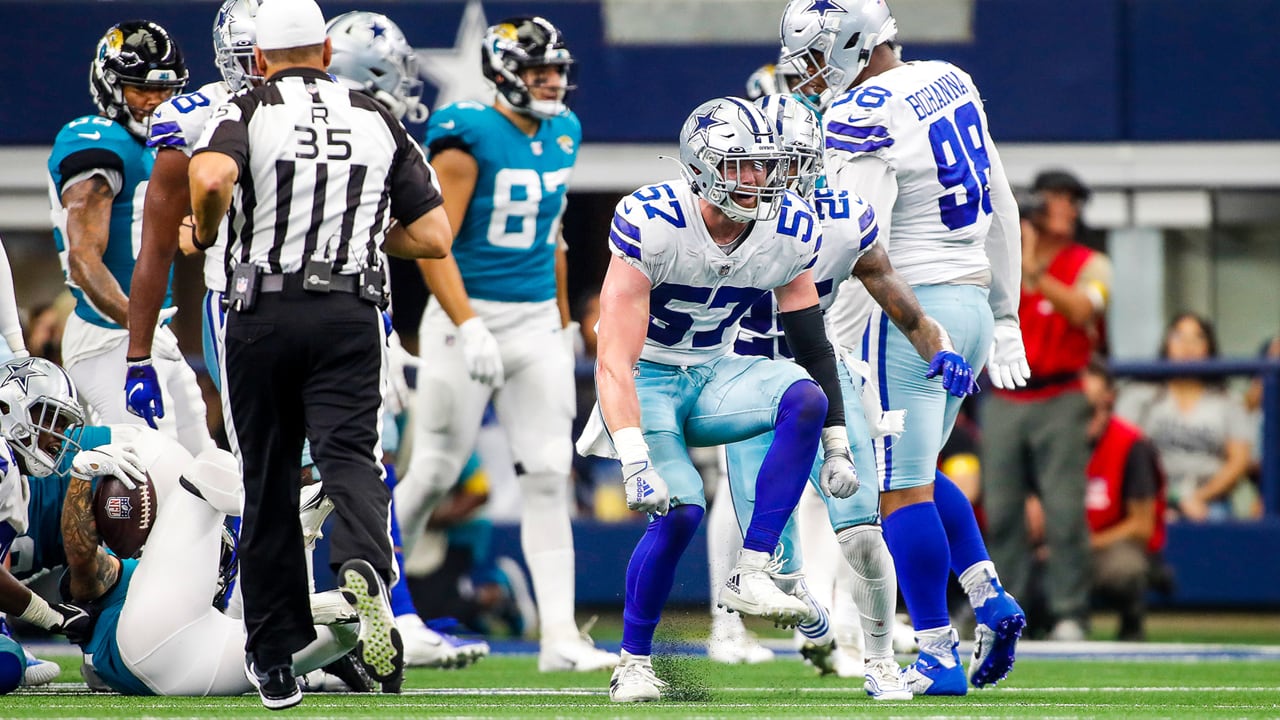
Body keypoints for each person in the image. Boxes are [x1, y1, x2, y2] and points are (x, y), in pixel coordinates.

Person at [187, 0, 453, 707]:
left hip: (262, 308)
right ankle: (365, 565)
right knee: (350, 460)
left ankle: (274, 654)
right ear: (326, 52)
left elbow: (210, 181)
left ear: (263, 58)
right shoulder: (375, 114)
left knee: (269, 478)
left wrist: (208, 234)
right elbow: (434, 236)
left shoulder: (245, 107)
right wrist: (367, 235)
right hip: (349, 308)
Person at [577, 96, 863, 703]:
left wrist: (836, 441)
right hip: (646, 379)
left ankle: (752, 569)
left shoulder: (787, 231)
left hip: (712, 371)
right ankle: (632, 663)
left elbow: (814, 344)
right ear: (703, 165)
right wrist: (631, 456)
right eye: (744, 166)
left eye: (767, 165)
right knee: (682, 512)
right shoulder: (653, 220)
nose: (761, 180)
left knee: (803, 397)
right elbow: (613, 358)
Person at [780, 0, 1028, 694]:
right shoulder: (948, 77)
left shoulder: (863, 113)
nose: (805, 73)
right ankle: (988, 596)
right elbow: (1003, 204)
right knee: (917, 470)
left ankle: (938, 651)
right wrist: (1004, 314)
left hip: (910, 316)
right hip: (972, 299)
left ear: (849, 44)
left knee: (896, 488)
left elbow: (861, 241)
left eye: (810, 55)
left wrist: (827, 323)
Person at [716, 93, 980, 698]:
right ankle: (815, 623)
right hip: (744, 384)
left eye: (783, 162)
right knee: (774, 575)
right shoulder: (713, 218)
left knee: (861, 530)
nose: (768, 178)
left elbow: (894, 291)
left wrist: (937, 346)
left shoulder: (843, 218)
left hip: (819, 374)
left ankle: (882, 661)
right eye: (757, 163)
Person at [392, 16, 614, 673]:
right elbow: (433, 244)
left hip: (534, 322)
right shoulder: (466, 137)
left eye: (554, 70)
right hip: (467, 317)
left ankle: (560, 639)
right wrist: (467, 324)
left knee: (548, 473)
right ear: (503, 75)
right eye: (536, 71)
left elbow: (554, 237)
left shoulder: (564, 131)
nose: (549, 82)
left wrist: (565, 318)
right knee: (433, 470)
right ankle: (375, 599)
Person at [47, 20, 212, 456]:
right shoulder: (95, 138)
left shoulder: (157, 148)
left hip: (145, 331)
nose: (156, 101)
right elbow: (84, 259)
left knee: (208, 466)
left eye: (165, 90)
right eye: (142, 89)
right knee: (158, 468)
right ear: (110, 85)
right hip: (107, 335)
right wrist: (139, 324)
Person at [979, 169, 1109, 641]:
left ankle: (1070, 610)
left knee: (1063, 509)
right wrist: (1019, 256)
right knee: (1003, 508)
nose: (1067, 208)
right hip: (1006, 394)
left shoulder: (1090, 262)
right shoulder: (1002, 255)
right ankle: (1006, 608)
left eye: (1073, 200)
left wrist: (1034, 270)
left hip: (1061, 394)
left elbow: (1083, 310)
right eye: (1058, 198)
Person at [1115, 314, 1253, 523]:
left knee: (1217, 527)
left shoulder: (1227, 401)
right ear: (1166, 344)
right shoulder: (1140, 395)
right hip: (1149, 498)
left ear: (1209, 348)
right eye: (1179, 336)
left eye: (1197, 338)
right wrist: (1155, 500)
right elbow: (1119, 449)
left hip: (1208, 500)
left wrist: (1198, 497)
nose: (1187, 345)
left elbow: (1238, 461)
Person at [1081, 356, 1165, 641]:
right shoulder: (1049, 440)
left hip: (1110, 546)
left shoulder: (1132, 444)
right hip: (1058, 548)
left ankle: (1132, 622)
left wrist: (1085, 544)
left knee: (1125, 568)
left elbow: (1142, 527)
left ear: (1109, 399)